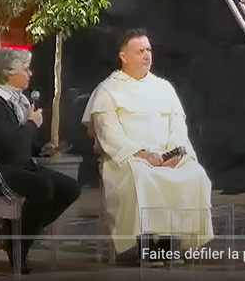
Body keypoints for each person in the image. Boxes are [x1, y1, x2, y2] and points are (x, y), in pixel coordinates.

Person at [85, 29, 213, 264]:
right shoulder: (108, 90)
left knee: (196, 174)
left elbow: (178, 126)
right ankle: (148, 246)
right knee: (143, 176)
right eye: (140, 51)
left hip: (167, 155)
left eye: (149, 50)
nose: (146, 55)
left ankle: (167, 244)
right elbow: (109, 133)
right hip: (129, 158)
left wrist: (175, 153)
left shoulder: (164, 88)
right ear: (123, 56)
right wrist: (141, 154)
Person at [0, 48, 83, 275]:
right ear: (8, 73)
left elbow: (17, 143)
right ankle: (19, 247)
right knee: (42, 187)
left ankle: (13, 234)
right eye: (25, 69)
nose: (30, 73)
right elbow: (7, 143)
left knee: (70, 188)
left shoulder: (16, 101)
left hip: (15, 166)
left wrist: (41, 149)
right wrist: (31, 124)